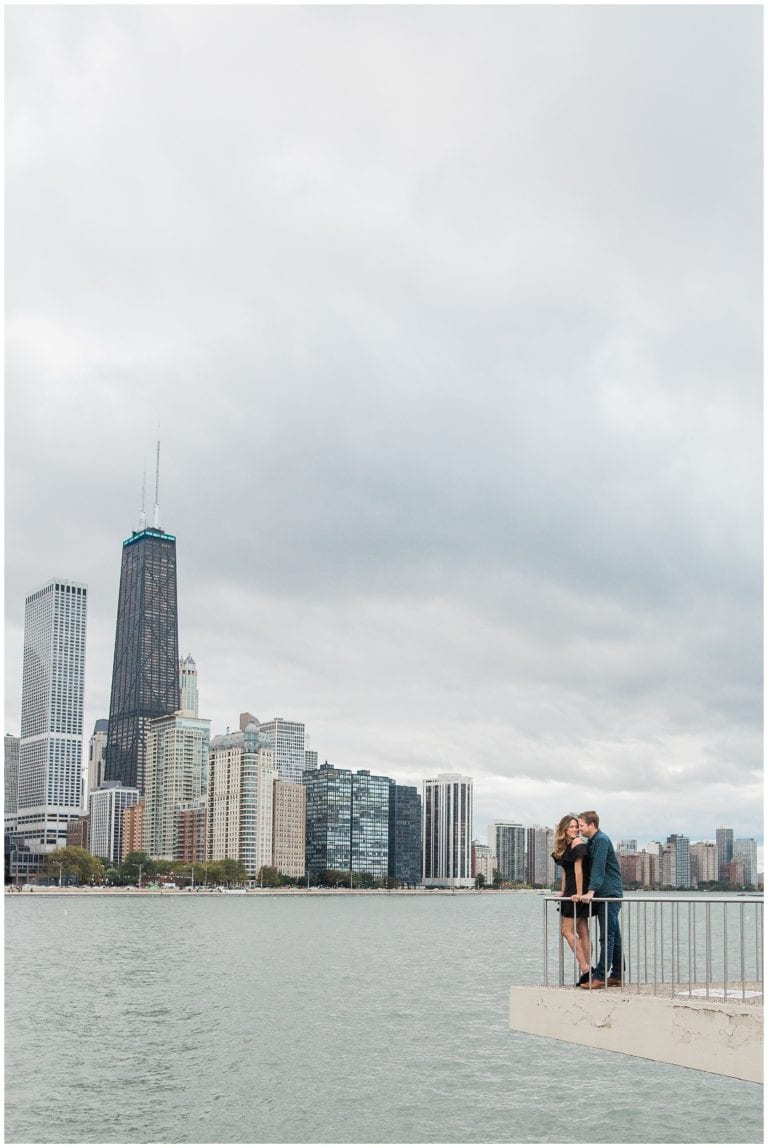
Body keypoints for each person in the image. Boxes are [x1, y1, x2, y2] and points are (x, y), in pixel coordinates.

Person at [576, 810, 623, 989]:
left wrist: (591, 891)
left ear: (592, 825)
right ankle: (617, 975)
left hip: (609, 894)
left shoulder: (601, 840)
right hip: (606, 894)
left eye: (581, 825)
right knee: (614, 936)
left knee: (606, 936)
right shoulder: (593, 841)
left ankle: (601, 976)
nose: (580, 829)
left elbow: (598, 868)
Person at [551, 814, 593, 985]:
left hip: (577, 891)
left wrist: (581, 893)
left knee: (566, 931)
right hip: (570, 890)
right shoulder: (565, 846)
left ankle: (586, 969)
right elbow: (565, 871)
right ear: (564, 829)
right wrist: (562, 892)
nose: (575, 829)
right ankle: (588, 972)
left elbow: (578, 870)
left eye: (577, 826)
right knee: (582, 931)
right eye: (571, 827)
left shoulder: (577, 843)